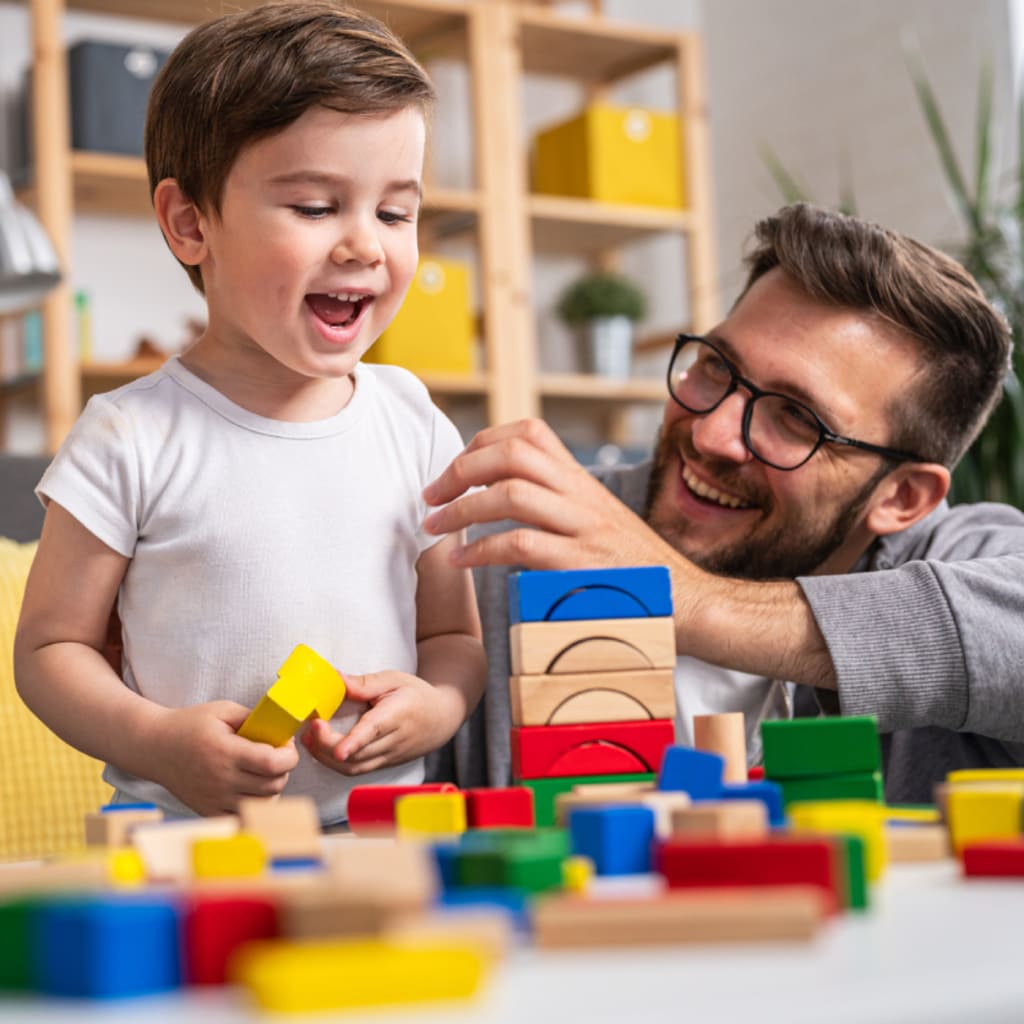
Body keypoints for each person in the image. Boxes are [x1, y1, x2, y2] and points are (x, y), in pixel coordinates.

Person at [13, 1, 486, 826]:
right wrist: (156, 740)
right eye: (314, 207)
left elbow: (454, 641)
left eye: (395, 212)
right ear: (191, 224)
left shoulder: (414, 424)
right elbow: (51, 653)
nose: (365, 246)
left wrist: (436, 707)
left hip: (386, 833)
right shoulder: (131, 437)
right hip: (184, 842)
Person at [422, 203, 1024, 804]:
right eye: (715, 366)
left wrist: (691, 600)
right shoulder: (525, 540)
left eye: (795, 417)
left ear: (901, 497)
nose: (711, 435)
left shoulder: (962, 558)